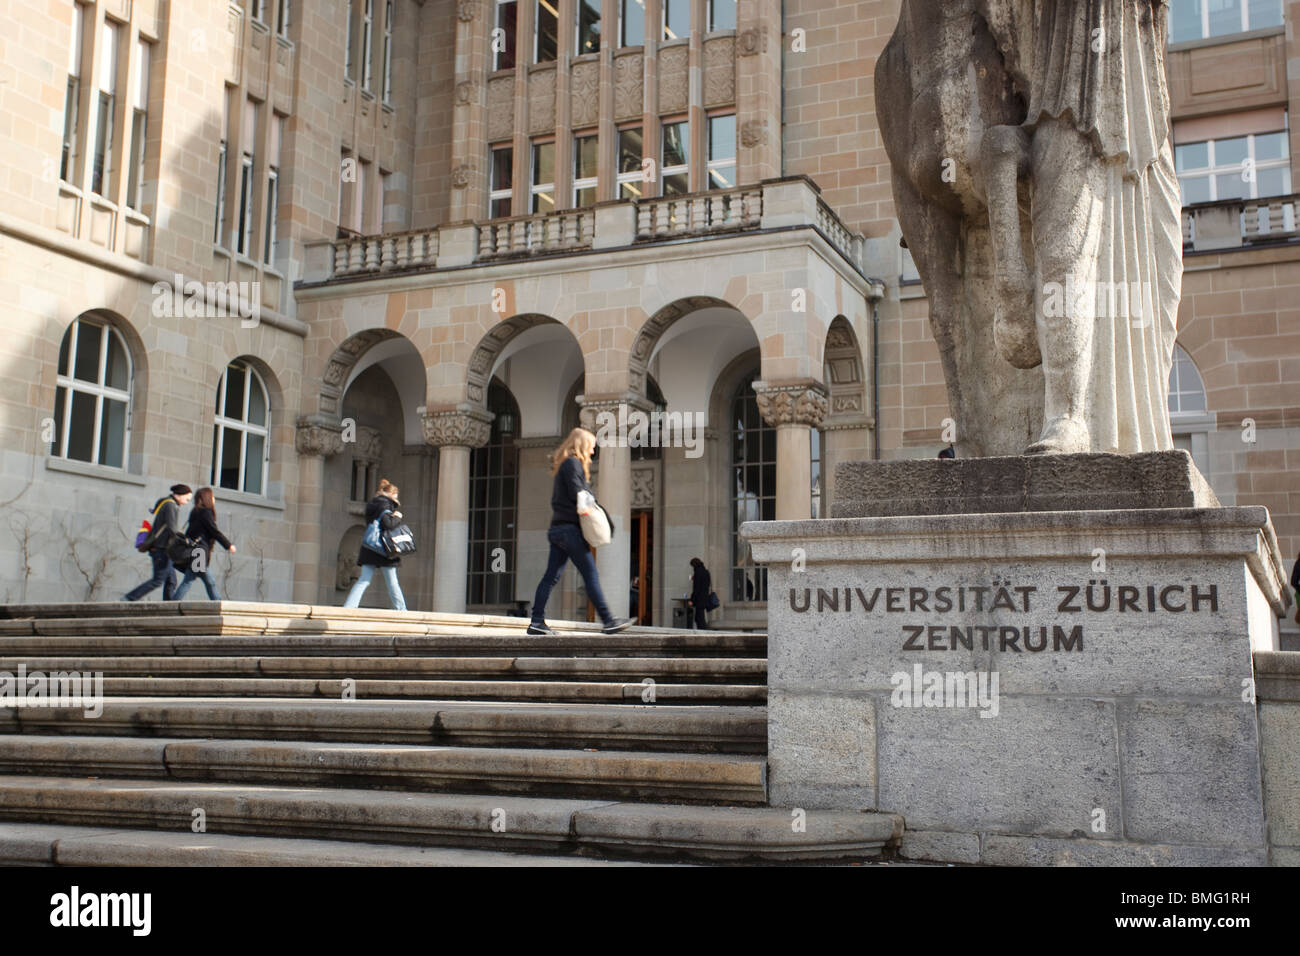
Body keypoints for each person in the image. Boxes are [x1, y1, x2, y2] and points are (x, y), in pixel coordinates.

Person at [527, 428, 632, 636]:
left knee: (551, 577)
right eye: (592, 447)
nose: (593, 452)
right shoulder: (573, 463)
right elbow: (579, 493)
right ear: (582, 445)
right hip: (570, 531)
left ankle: (536, 622)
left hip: (558, 530)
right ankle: (609, 620)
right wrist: (598, 511)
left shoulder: (565, 465)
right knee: (590, 574)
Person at [343, 479, 407, 611]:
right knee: (392, 582)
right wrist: (397, 516)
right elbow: (388, 524)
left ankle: (349, 607)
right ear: (391, 494)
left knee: (364, 580)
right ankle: (401, 610)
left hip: (370, 547)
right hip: (385, 548)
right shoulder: (385, 505)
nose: (396, 500)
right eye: (395, 497)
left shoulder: (373, 504)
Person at [124, 484, 192, 601]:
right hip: (161, 549)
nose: (187, 502)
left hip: (162, 549)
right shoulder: (170, 505)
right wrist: (185, 541)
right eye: (187, 499)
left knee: (171, 580)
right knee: (158, 580)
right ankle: (129, 598)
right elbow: (172, 529)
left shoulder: (166, 503)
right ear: (179, 495)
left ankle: (168, 608)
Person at [171, 487, 235, 601]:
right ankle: (218, 604)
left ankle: (173, 603)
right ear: (208, 498)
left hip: (196, 552)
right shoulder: (206, 512)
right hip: (199, 552)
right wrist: (228, 545)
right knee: (204, 581)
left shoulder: (195, 512)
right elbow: (214, 531)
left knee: (196, 581)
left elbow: (190, 532)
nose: (214, 498)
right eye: (212, 496)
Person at [688, 557, 712, 630]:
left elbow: (696, 588)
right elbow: (706, 584)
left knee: (699, 619)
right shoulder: (706, 571)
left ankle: (703, 633)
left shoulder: (698, 573)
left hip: (699, 599)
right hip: (705, 597)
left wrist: (692, 600)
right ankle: (703, 631)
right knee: (699, 618)